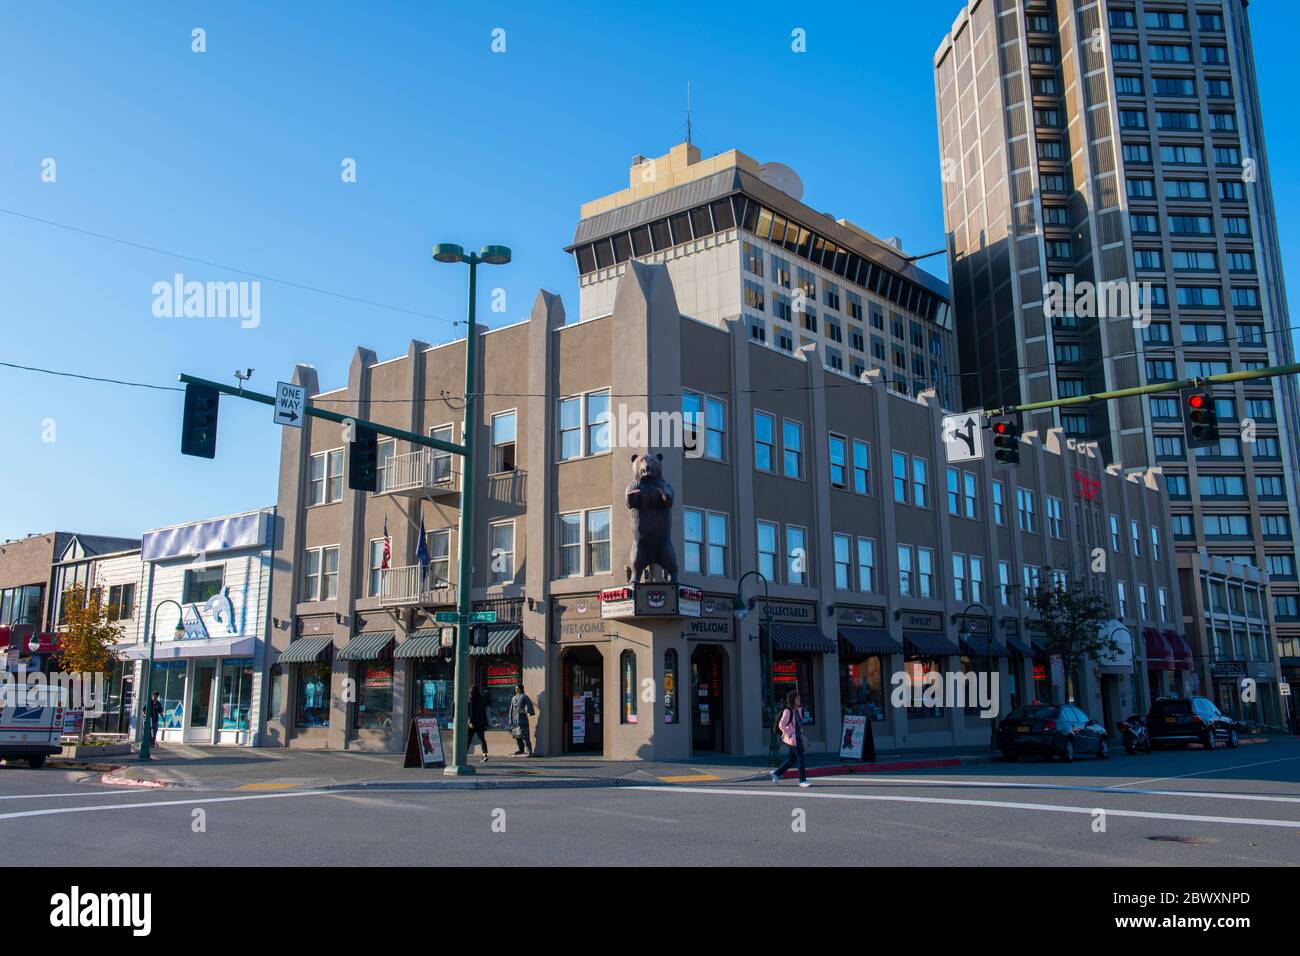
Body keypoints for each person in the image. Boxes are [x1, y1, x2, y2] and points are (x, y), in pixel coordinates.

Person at [770, 691, 811, 787]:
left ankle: (776, 774)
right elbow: (781, 724)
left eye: (799, 698)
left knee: (792, 760)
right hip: (792, 739)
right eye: (797, 698)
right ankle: (802, 780)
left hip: (797, 737)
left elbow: (798, 724)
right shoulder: (787, 711)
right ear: (792, 700)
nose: (799, 700)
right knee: (801, 758)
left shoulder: (798, 710)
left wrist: (800, 732)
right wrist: (789, 734)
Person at [509, 683, 536, 756]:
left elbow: (529, 704)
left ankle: (529, 751)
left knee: (525, 735)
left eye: (517, 688)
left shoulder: (524, 696)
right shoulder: (513, 698)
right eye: (515, 688)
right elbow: (511, 709)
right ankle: (521, 750)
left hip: (522, 718)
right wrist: (510, 718)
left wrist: (527, 711)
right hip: (515, 719)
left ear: (521, 688)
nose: (516, 689)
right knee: (517, 736)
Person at [466, 685, 489, 763]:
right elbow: (485, 711)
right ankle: (484, 754)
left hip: (474, 722)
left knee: (468, 738)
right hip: (481, 722)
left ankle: (464, 754)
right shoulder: (482, 699)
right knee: (482, 739)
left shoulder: (471, 699)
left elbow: (471, 712)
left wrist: (471, 722)